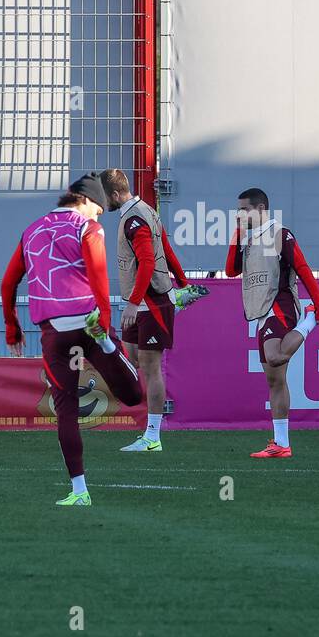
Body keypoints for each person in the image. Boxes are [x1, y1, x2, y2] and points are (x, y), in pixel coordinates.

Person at [0, 173, 145, 505]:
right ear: (84, 201)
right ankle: (107, 345)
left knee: (65, 413)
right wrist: (104, 324)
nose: (99, 214)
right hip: (89, 321)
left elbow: (8, 284)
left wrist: (12, 327)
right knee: (133, 395)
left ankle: (79, 491)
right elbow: (98, 277)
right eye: (98, 208)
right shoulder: (88, 228)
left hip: (53, 330)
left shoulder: (30, 231)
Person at [99, 168, 205, 453]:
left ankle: (152, 437)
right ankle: (177, 297)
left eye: (104, 196)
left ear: (116, 194)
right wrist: (182, 282)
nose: (102, 202)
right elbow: (165, 249)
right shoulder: (145, 211)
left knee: (150, 366)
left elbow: (148, 261)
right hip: (145, 299)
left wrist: (134, 303)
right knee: (134, 357)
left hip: (150, 302)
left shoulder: (134, 220)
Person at [226, 188, 319, 458]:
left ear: (261, 208)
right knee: (275, 381)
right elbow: (230, 270)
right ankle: (282, 444)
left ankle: (309, 320)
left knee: (274, 358)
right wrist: (238, 234)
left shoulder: (280, 234)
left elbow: (304, 269)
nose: (240, 214)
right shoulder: (250, 239)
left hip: (280, 305)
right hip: (260, 312)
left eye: (244, 209)